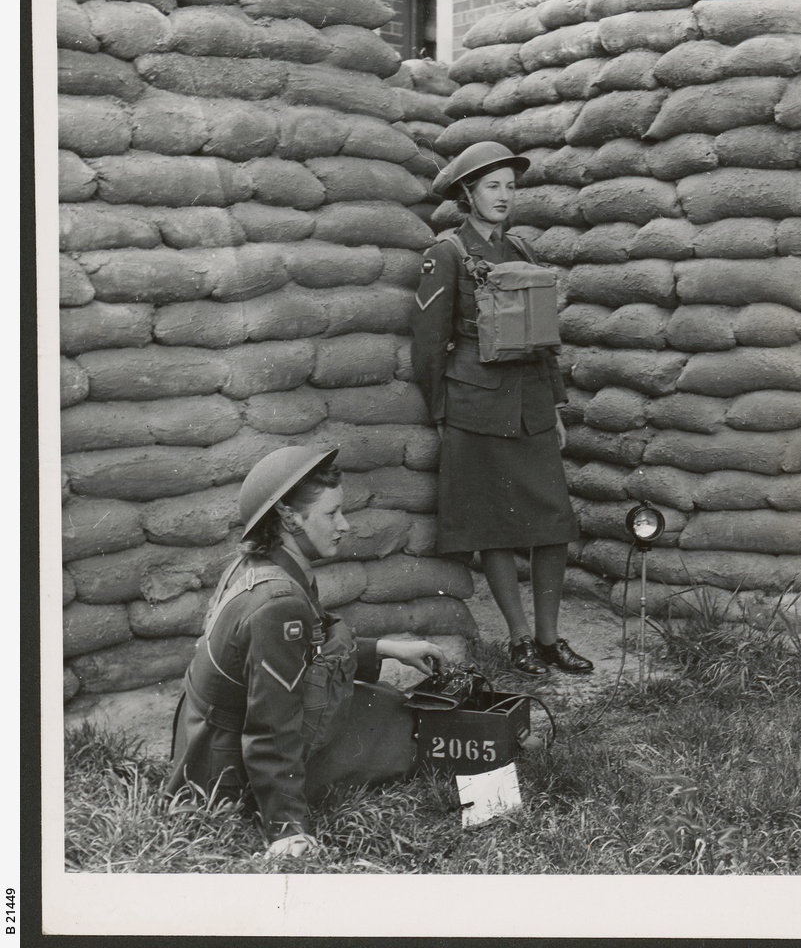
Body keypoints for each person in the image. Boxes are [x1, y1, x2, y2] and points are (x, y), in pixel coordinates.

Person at [166, 445, 445, 858]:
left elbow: (307, 650)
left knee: (391, 705)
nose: (344, 525)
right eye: (332, 514)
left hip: (211, 740)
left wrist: (386, 649)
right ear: (289, 517)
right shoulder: (277, 603)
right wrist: (287, 830)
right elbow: (271, 728)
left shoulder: (268, 565)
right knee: (412, 737)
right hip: (227, 771)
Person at [410, 141, 593, 677]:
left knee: (553, 523)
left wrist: (554, 405)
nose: (504, 196)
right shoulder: (445, 254)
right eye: (492, 186)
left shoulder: (523, 251)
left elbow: (543, 339)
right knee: (494, 527)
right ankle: (519, 639)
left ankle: (550, 638)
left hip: (530, 403)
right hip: (476, 406)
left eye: (511, 186)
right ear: (467, 194)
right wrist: (443, 412)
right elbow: (428, 345)